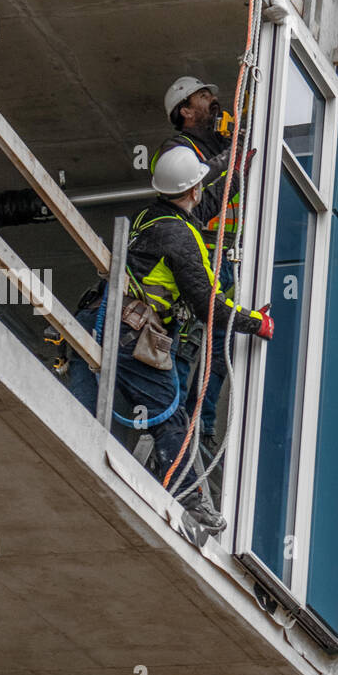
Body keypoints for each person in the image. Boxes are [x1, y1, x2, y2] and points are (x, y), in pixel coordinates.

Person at [67, 146, 273, 535]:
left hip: (95, 320)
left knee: (79, 421)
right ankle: (191, 503)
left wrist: (232, 170)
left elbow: (201, 201)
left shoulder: (153, 216)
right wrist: (255, 322)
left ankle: (71, 469)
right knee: (170, 416)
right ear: (192, 189)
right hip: (129, 334)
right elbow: (209, 307)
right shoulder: (181, 238)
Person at [153, 76, 250, 464]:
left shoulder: (220, 147)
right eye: (203, 96)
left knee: (221, 347)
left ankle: (203, 426)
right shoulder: (176, 152)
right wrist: (230, 157)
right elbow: (197, 186)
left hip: (231, 254)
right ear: (185, 111)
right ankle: (173, 424)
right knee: (189, 341)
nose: (213, 100)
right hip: (202, 252)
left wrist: (235, 147)